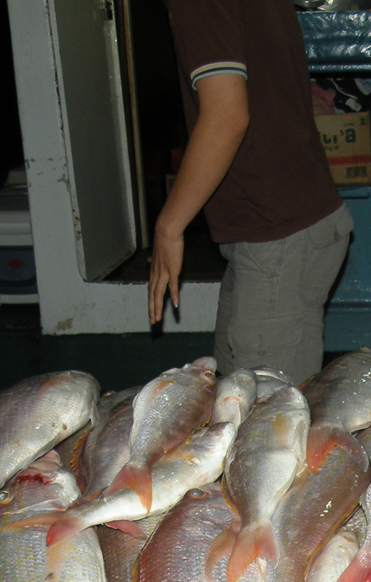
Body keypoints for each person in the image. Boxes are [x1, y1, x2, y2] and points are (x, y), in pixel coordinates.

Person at [148, 0, 352, 384]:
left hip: (277, 237)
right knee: (236, 398)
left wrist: (168, 227)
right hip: (279, 230)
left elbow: (226, 118)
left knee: (267, 425)